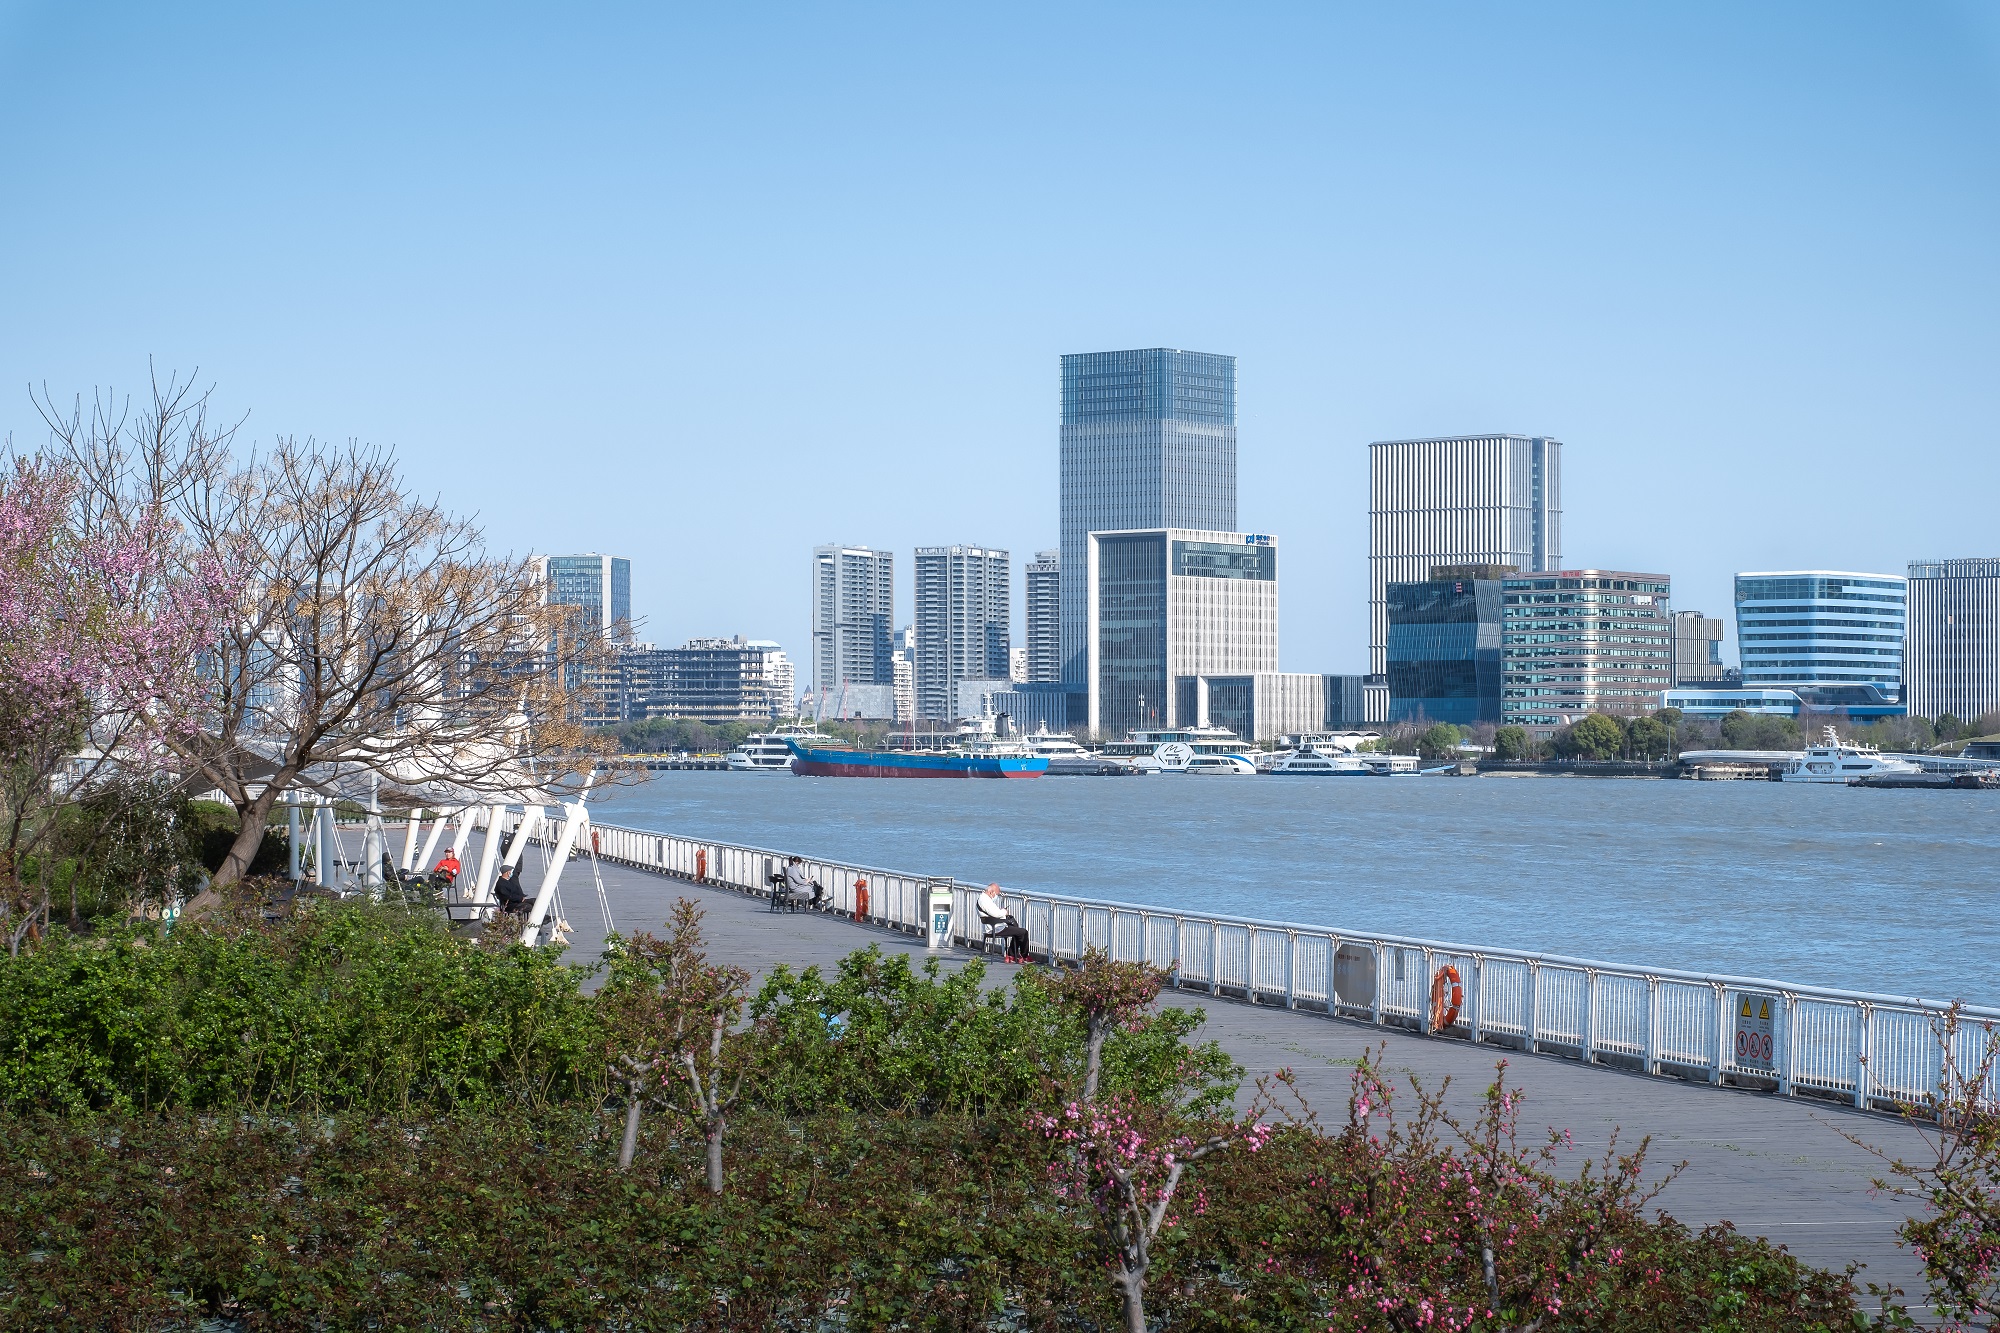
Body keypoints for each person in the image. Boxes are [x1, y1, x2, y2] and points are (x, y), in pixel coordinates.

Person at [977, 882, 1030, 962]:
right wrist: (1004, 911)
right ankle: (1023, 956)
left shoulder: (983, 899)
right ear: (991, 892)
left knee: (1016, 929)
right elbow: (996, 914)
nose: (996, 896)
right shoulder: (985, 901)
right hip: (996, 928)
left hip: (993, 926)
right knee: (1023, 932)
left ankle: (1012, 955)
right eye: (997, 894)